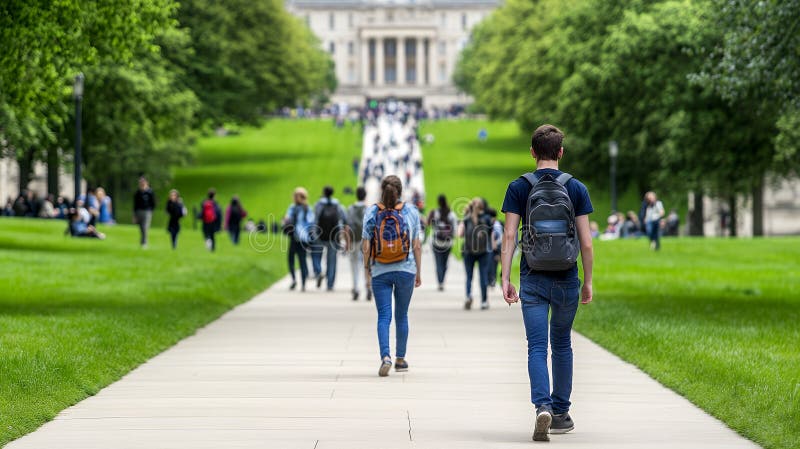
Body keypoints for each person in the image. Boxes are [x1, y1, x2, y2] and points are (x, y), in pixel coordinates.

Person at [500, 124, 594, 441]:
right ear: (560, 152)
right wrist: (588, 281)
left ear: (532, 152)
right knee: (563, 344)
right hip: (567, 276)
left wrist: (505, 277)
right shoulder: (576, 188)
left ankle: (541, 404)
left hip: (533, 276)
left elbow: (510, 235)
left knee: (537, 347)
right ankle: (560, 412)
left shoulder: (519, 187)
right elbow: (587, 243)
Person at [362, 175, 422, 377]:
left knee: (384, 316)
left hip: (380, 269)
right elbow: (416, 245)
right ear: (400, 191)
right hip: (406, 269)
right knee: (402, 315)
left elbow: (366, 245)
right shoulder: (411, 211)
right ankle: (400, 359)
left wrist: (367, 269)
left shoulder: (372, 211)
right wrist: (419, 272)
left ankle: (385, 356)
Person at [460, 197, 494, 310]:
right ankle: (483, 301)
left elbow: (460, 234)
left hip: (470, 251)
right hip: (483, 251)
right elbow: (491, 235)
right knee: (483, 276)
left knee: (470, 276)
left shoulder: (467, 218)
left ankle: (469, 296)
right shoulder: (487, 218)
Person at [312, 186, 347, 291]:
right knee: (332, 260)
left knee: (316, 255)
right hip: (333, 236)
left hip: (320, 234)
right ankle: (330, 284)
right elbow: (344, 219)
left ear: (323, 192)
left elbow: (315, 220)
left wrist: (314, 234)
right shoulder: (338, 205)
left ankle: (318, 272)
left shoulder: (318, 205)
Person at [283, 187, 315, 291]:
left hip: (295, 236)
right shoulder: (307, 208)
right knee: (302, 261)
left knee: (291, 259)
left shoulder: (292, 207)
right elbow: (311, 222)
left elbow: (287, 219)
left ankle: (294, 279)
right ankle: (303, 283)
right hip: (303, 238)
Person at [427, 194, 458, 291]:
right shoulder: (451, 214)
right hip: (447, 243)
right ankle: (442, 280)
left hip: (436, 242)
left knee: (438, 263)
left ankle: (440, 282)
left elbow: (429, 224)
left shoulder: (435, 213)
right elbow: (455, 229)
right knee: (445, 263)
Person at [344, 186, 370, 301]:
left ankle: (355, 287)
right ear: (365, 196)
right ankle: (368, 287)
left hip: (354, 239)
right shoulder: (368, 209)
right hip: (366, 240)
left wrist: (347, 242)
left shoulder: (350, 209)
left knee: (354, 265)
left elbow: (346, 227)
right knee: (367, 265)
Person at [133, 177, 156, 248]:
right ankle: (142, 241)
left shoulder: (150, 192)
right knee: (141, 228)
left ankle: (144, 243)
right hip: (139, 211)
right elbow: (135, 204)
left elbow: (153, 202)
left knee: (145, 227)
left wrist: (151, 210)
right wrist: (134, 215)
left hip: (147, 211)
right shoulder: (138, 192)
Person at [487, 208, 503, 287]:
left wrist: (496, 247)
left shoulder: (497, 225)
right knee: (491, 264)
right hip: (491, 247)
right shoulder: (490, 224)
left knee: (494, 264)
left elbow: (500, 238)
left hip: (497, 248)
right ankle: (491, 279)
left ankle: (493, 280)